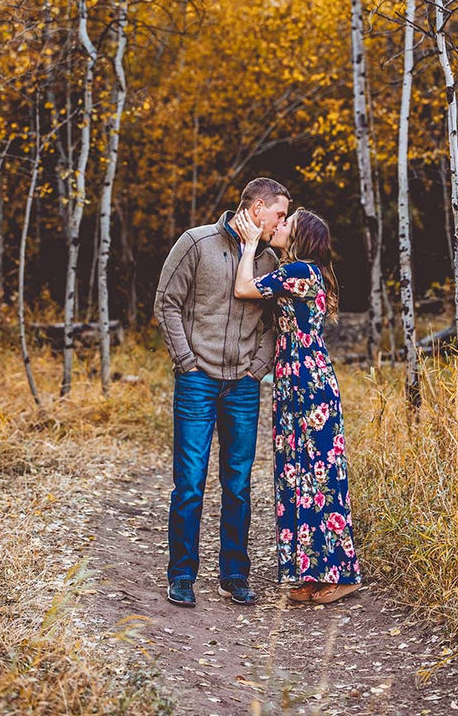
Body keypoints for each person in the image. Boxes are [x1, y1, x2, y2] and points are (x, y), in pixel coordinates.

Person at [154, 177, 291, 607]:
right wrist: (186, 361)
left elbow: (275, 323)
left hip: (244, 387)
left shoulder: (269, 260)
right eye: (279, 214)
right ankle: (182, 575)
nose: (282, 223)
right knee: (190, 482)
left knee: (237, 484)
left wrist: (258, 369)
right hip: (197, 380)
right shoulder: (196, 243)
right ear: (256, 209)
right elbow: (166, 303)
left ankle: (234, 574)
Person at [234, 207, 361, 604]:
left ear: (301, 235)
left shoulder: (300, 272)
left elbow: (242, 288)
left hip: (310, 385)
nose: (281, 224)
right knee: (298, 476)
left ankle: (343, 575)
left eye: (287, 222)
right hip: (294, 383)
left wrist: (249, 245)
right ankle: (312, 573)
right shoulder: (301, 274)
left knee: (320, 477)